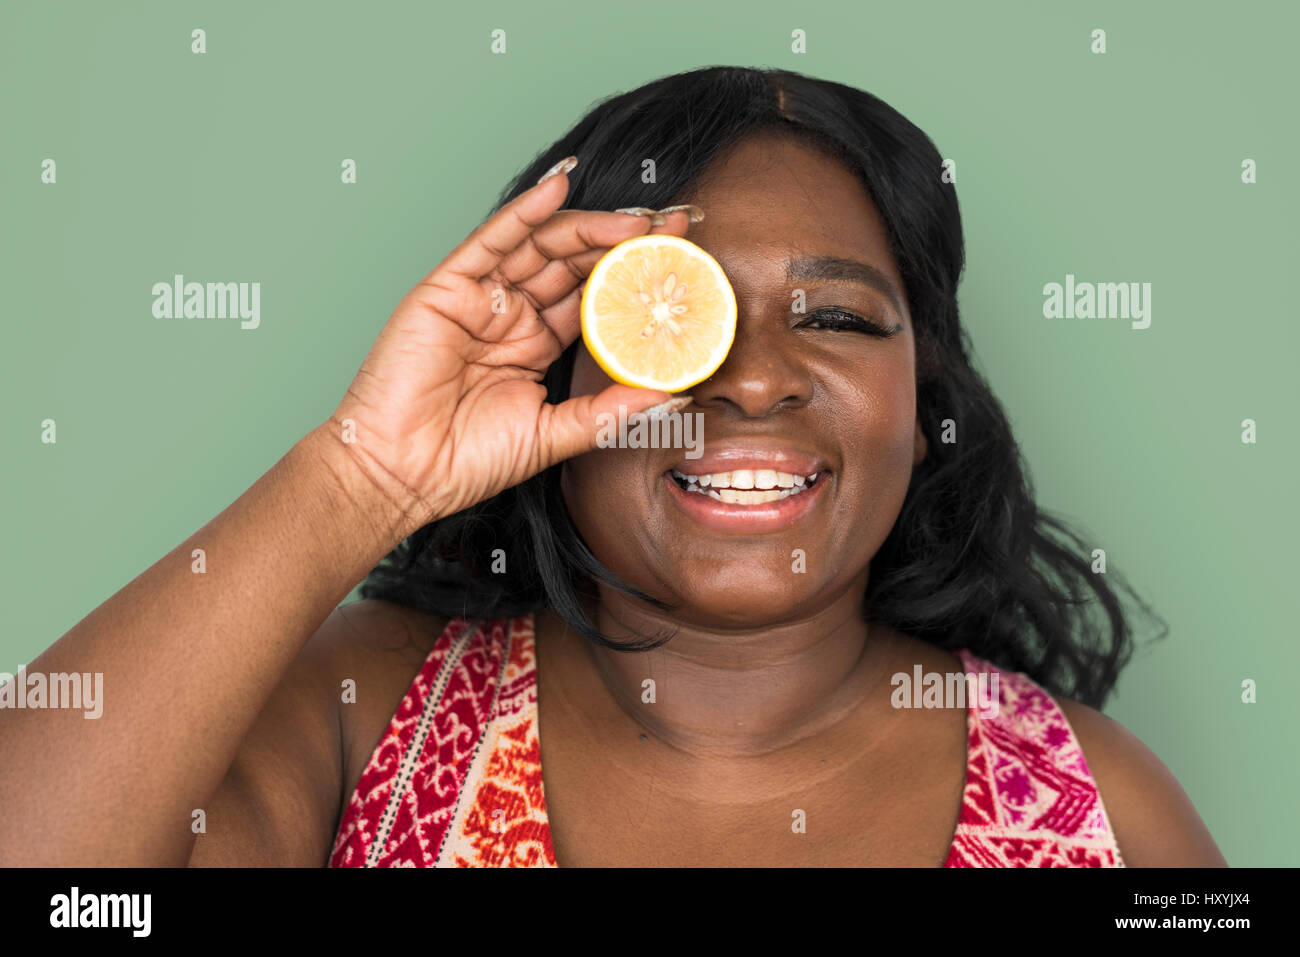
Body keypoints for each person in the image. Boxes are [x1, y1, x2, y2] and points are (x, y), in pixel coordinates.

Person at [0, 66, 1225, 867]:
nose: (751, 380)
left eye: (840, 318)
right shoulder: (361, 719)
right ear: (555, 380)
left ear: (925, 405)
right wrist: (359, 475)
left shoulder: (1103, 812)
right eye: (673, 319)